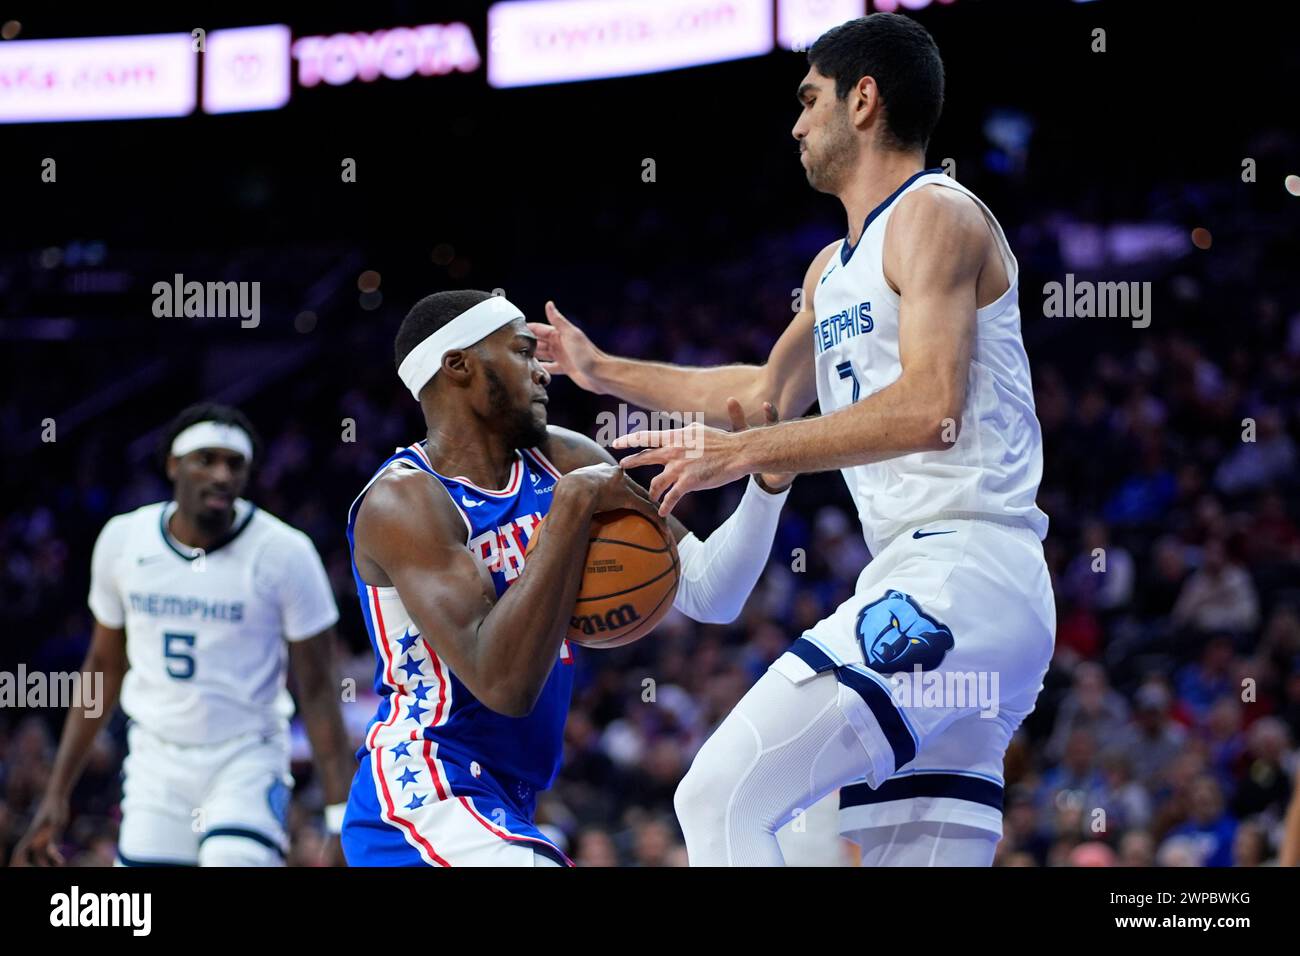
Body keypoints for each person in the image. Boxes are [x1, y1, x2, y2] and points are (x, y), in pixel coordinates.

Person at [532, 13, 1054, 866]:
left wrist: (747, 455)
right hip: (943, 592)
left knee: (718, 797)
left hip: (962, 571)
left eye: (808, 100)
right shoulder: (829, 269)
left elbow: (933, 408)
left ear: (864, 99)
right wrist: (602, 371)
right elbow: (761, 398)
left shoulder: (935, 215)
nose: (796, 123)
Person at [340, 290, 793, 866]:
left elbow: (711, 593)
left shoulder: (565, 460)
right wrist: (570, 510)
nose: (542, 372)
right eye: (523, 352)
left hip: (508, 800)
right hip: (423, 789)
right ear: (458, 366)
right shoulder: (404, 501)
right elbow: (503, 684)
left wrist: (766, 487)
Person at [12, 403, 354, 867]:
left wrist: (339, 816)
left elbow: (317, 689)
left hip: (247, 756)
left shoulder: (286, 553)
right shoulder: (124, 541)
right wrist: (56, 792)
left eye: (235, 465)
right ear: (174, 465)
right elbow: (102, 667)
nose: (221, 475)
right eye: (206, 459)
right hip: (156, 759)